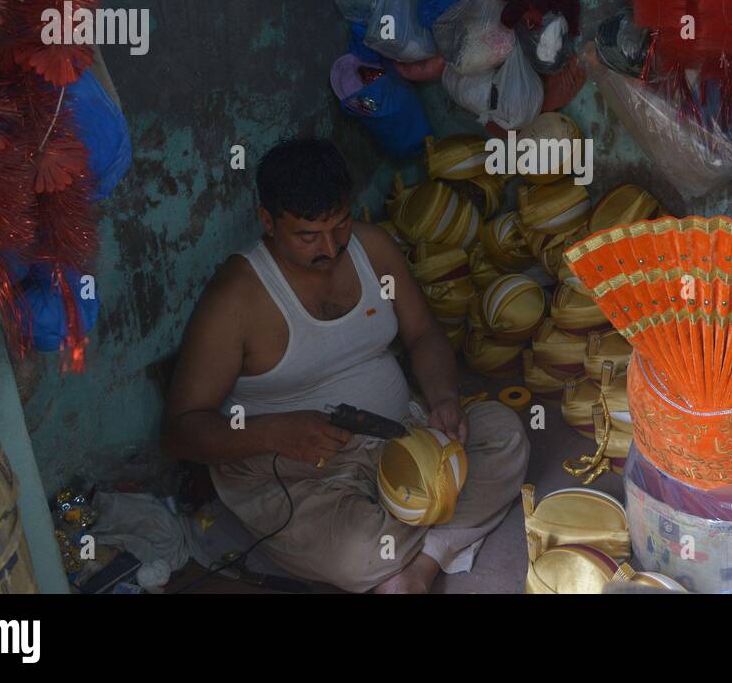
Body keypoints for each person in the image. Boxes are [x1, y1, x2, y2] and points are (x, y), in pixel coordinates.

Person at [162, 137, 529, 593]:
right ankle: (427, 534)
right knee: (358, 550)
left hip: (401, 434)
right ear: (267, 221)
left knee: (503, 434)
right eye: (307, 235)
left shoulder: (371, 249)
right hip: (299, 473)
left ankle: (419, 568)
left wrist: (445, 399)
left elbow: (423, 334)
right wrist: (273, 432)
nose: (330, 248)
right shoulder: (236, 297)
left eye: (339, 225)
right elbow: (181, 430)